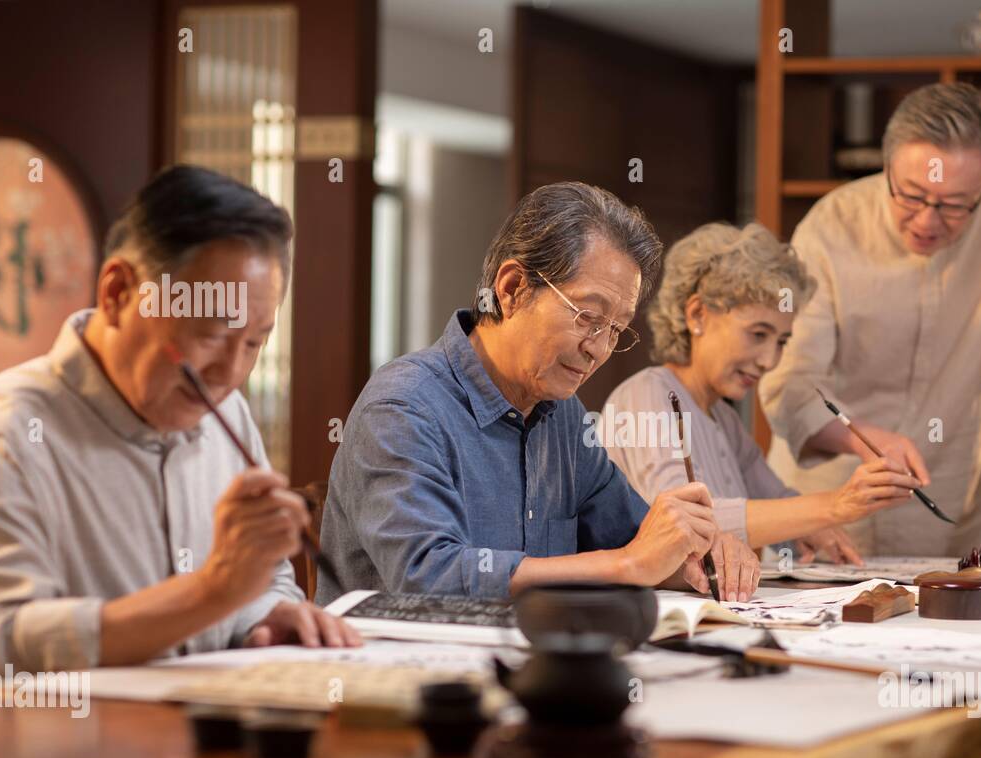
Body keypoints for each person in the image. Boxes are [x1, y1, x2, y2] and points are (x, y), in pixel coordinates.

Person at [0, 165, 358, 673]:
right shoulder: (7, 432)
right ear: (118, 292)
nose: (230, 373)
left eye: (254, 342)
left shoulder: (225, 410)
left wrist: (270, 614)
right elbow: (0, 638)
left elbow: (265, 579)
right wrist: (209, 592)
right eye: (209, 333)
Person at [319, 182, 760, 605]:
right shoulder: (404, 406)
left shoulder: (562, 414)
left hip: (529, 663)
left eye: (616, 331)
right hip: (401, 671)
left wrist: (701, 557)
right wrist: (627, 564)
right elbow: (427, 574)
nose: (598, 350)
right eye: (587, 317)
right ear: (511, 290)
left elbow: (636, 542)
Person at [760, 82, 981, 559]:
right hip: (826, 500)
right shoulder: (830, 225)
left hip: (948, 495)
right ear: (886, 166)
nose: (928, 222)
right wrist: (867, 439)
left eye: (954, 205)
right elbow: (790, 381)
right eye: (911, 195)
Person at [601, 221, 918, 566]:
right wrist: (835, 505)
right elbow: (685, 522)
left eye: (781, 341)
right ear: (697, 314)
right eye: (758, 334)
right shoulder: (646, 395)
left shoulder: (723, 417)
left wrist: (814, 527)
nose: (770, 360)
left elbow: (777, 498)